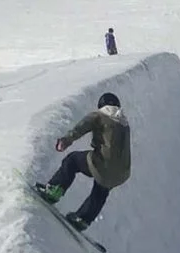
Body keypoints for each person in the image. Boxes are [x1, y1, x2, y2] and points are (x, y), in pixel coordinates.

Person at [37, 92, 131, 231]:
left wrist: (66, 140)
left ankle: (54, 190)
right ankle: (83, 219)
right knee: (102, 188)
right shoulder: (124, 124)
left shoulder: (99, 115)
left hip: (103, 164)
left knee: (73, 160)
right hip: (123, 173)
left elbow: (83, 126)